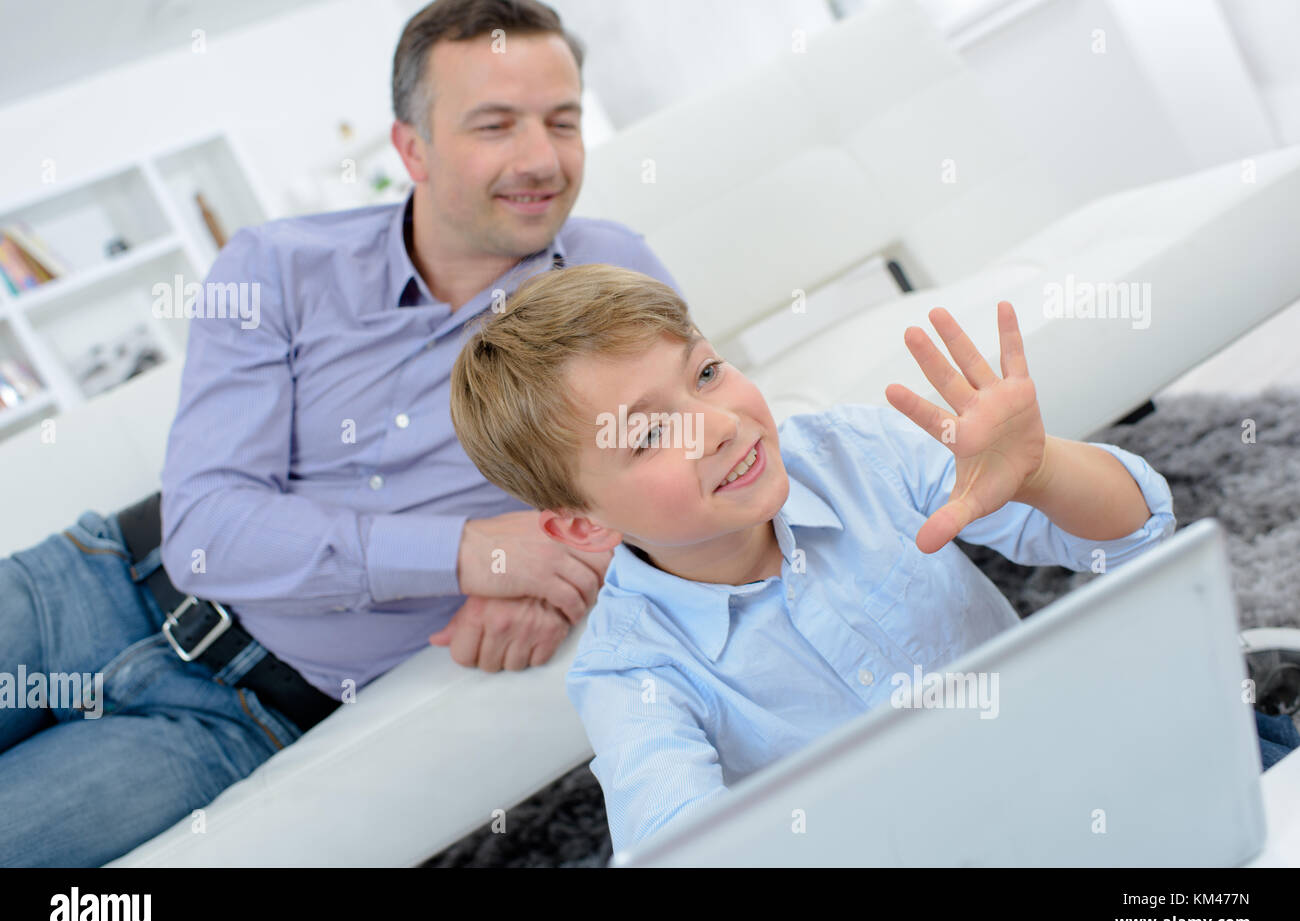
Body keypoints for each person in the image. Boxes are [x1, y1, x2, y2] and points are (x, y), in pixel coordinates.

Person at [0, 0, 680, 867]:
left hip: (242, 719)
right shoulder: (274, 266)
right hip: (94, 586)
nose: (541, 159)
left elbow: (686, 467)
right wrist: (473, 554)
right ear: (412, 149)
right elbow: (205, 532)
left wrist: (569, 573)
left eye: (563, 121)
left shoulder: (613, 279)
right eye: (495, 125)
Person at [448, 262, 1298, 855]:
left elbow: (1134, 533)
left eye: (705, 373)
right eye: (649, 432)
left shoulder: (856, 450)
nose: (718, 423)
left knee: (1245, 781)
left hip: (1087, 758)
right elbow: (676, 839)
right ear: (581, 526)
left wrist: (1041, 470)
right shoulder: (633, 670)